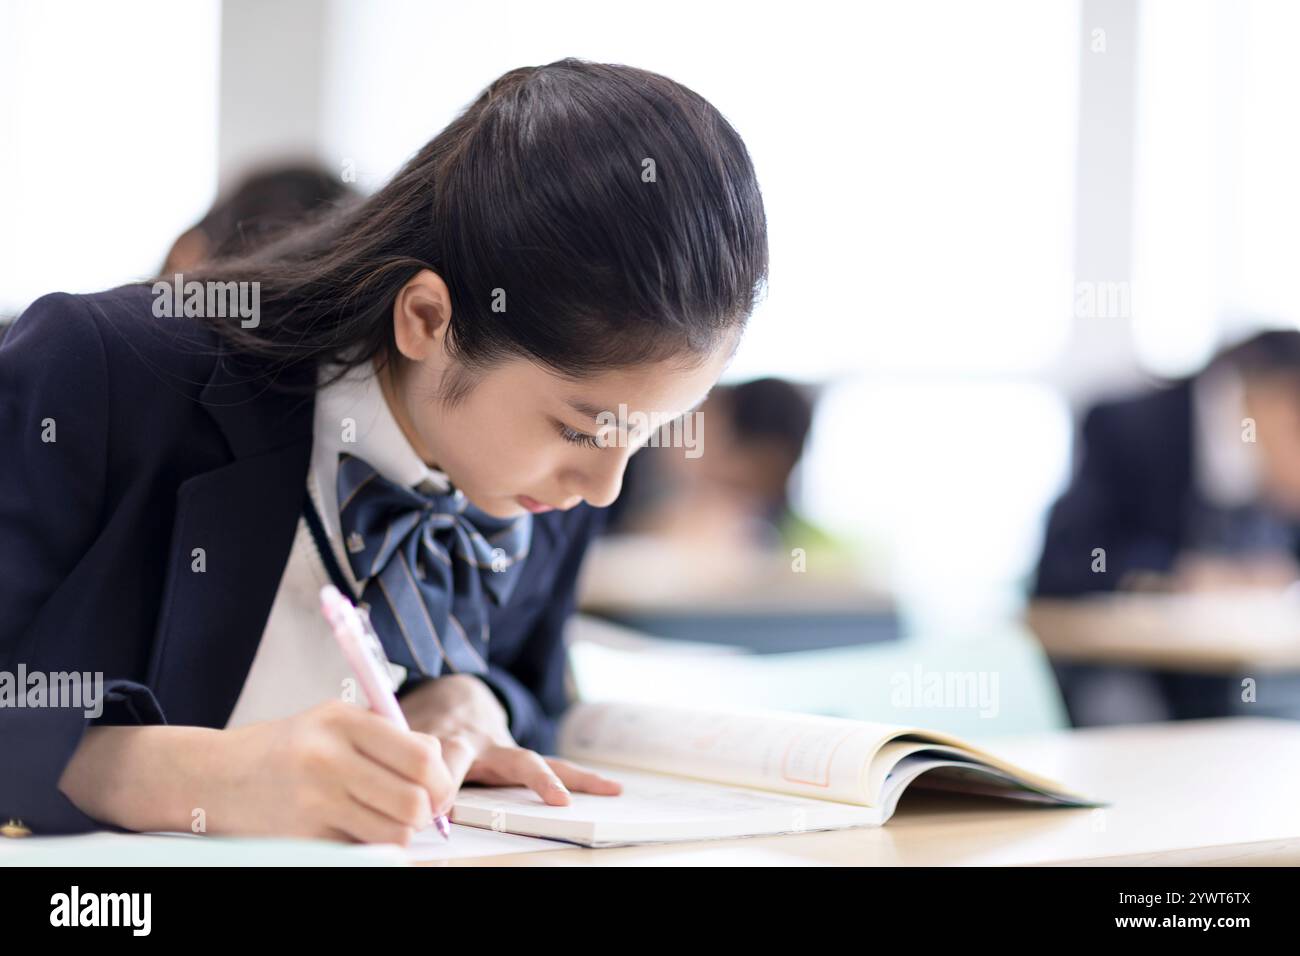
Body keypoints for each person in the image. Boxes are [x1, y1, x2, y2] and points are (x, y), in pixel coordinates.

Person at [0, 59, 769, 841]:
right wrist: (207, 777)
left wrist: (469, 701)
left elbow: (535, 688)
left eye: (643, 436)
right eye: (580, 427)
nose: (604, 488)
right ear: (427, 319)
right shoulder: (105, 377)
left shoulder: (549, 487)